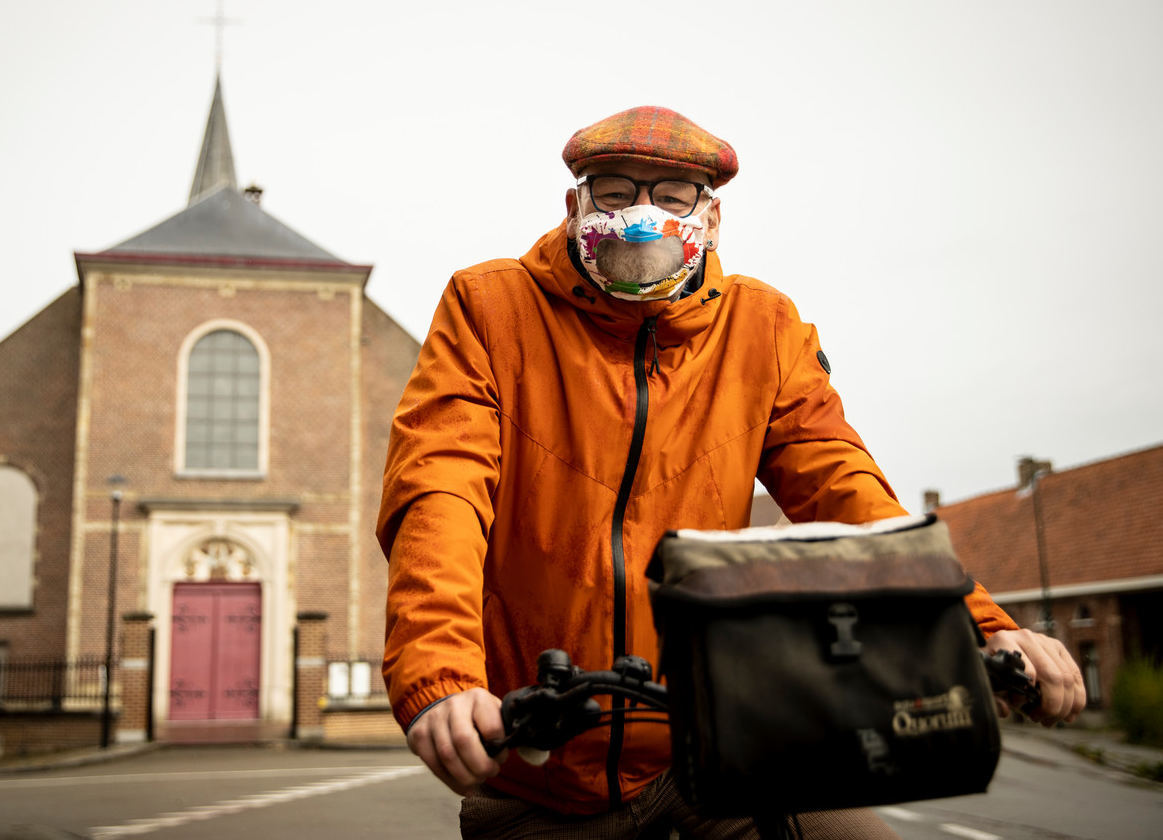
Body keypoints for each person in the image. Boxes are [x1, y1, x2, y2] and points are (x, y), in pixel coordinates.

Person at [377, 106, 1086, 838]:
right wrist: (442, 675)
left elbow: (845, 493)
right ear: (573, 206)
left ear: (711, 220)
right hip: (540, 759)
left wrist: (982, 624)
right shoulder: (489, 306)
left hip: (721, 741)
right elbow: (439, 488)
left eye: (672, 196)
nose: (641, 214)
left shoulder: (763, 327)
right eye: (614, 191)